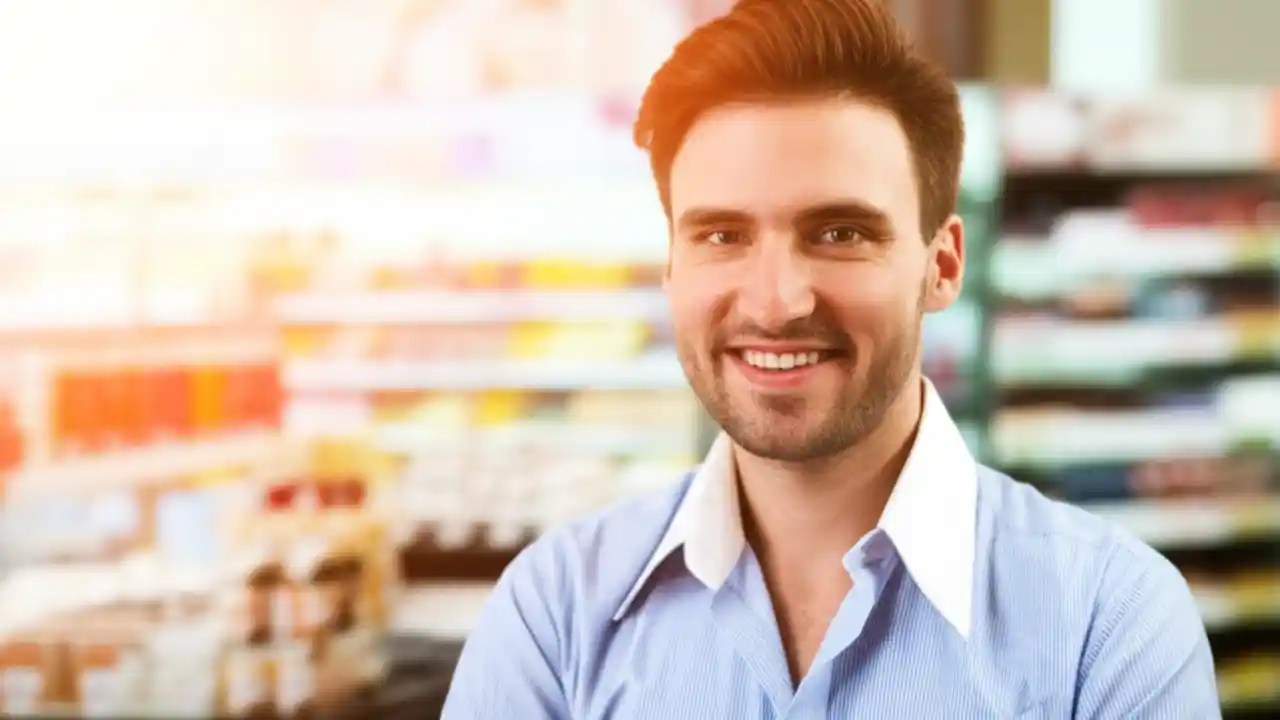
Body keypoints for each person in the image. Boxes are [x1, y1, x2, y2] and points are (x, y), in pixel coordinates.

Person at [442, 0, 1220, 717]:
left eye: (840, 233)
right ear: (671, 265)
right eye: (722, 236)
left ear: (942, 264)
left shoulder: (1109, 622)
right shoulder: (554, 615)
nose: (777, 303)